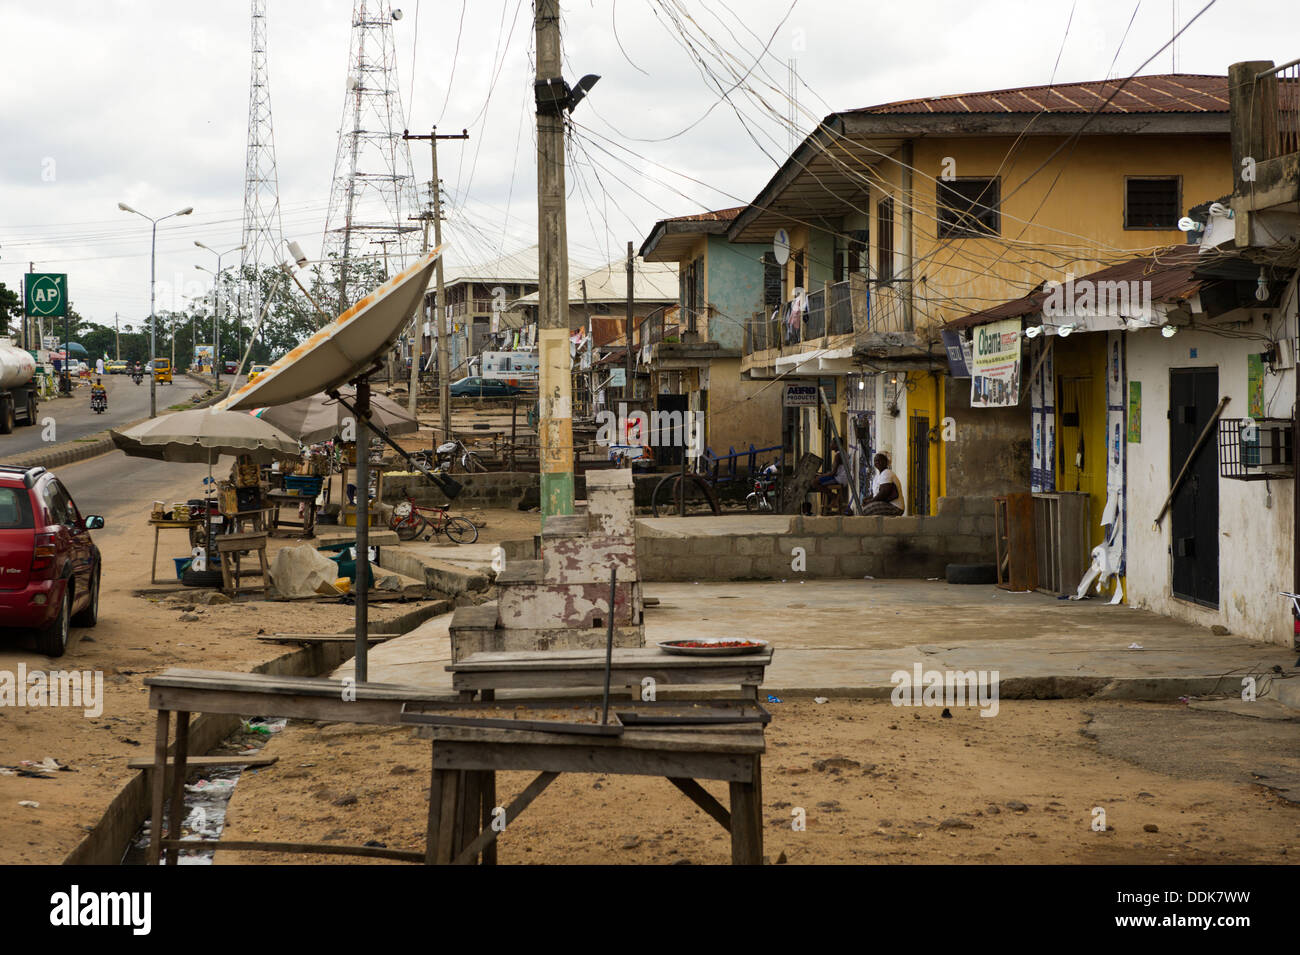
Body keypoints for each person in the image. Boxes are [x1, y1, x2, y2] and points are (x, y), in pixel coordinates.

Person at [861, 452, 904, 516]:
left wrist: (870, 502)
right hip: (886, 504)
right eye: (875, 461)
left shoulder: (887, 473)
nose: (877, 462)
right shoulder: (877, 476)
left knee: (865, 511)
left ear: (885, 462)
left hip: (895, 507)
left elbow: (883, 493)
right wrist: (867, 499)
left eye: (879, 460)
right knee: (862, 509)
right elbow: (875, 493)